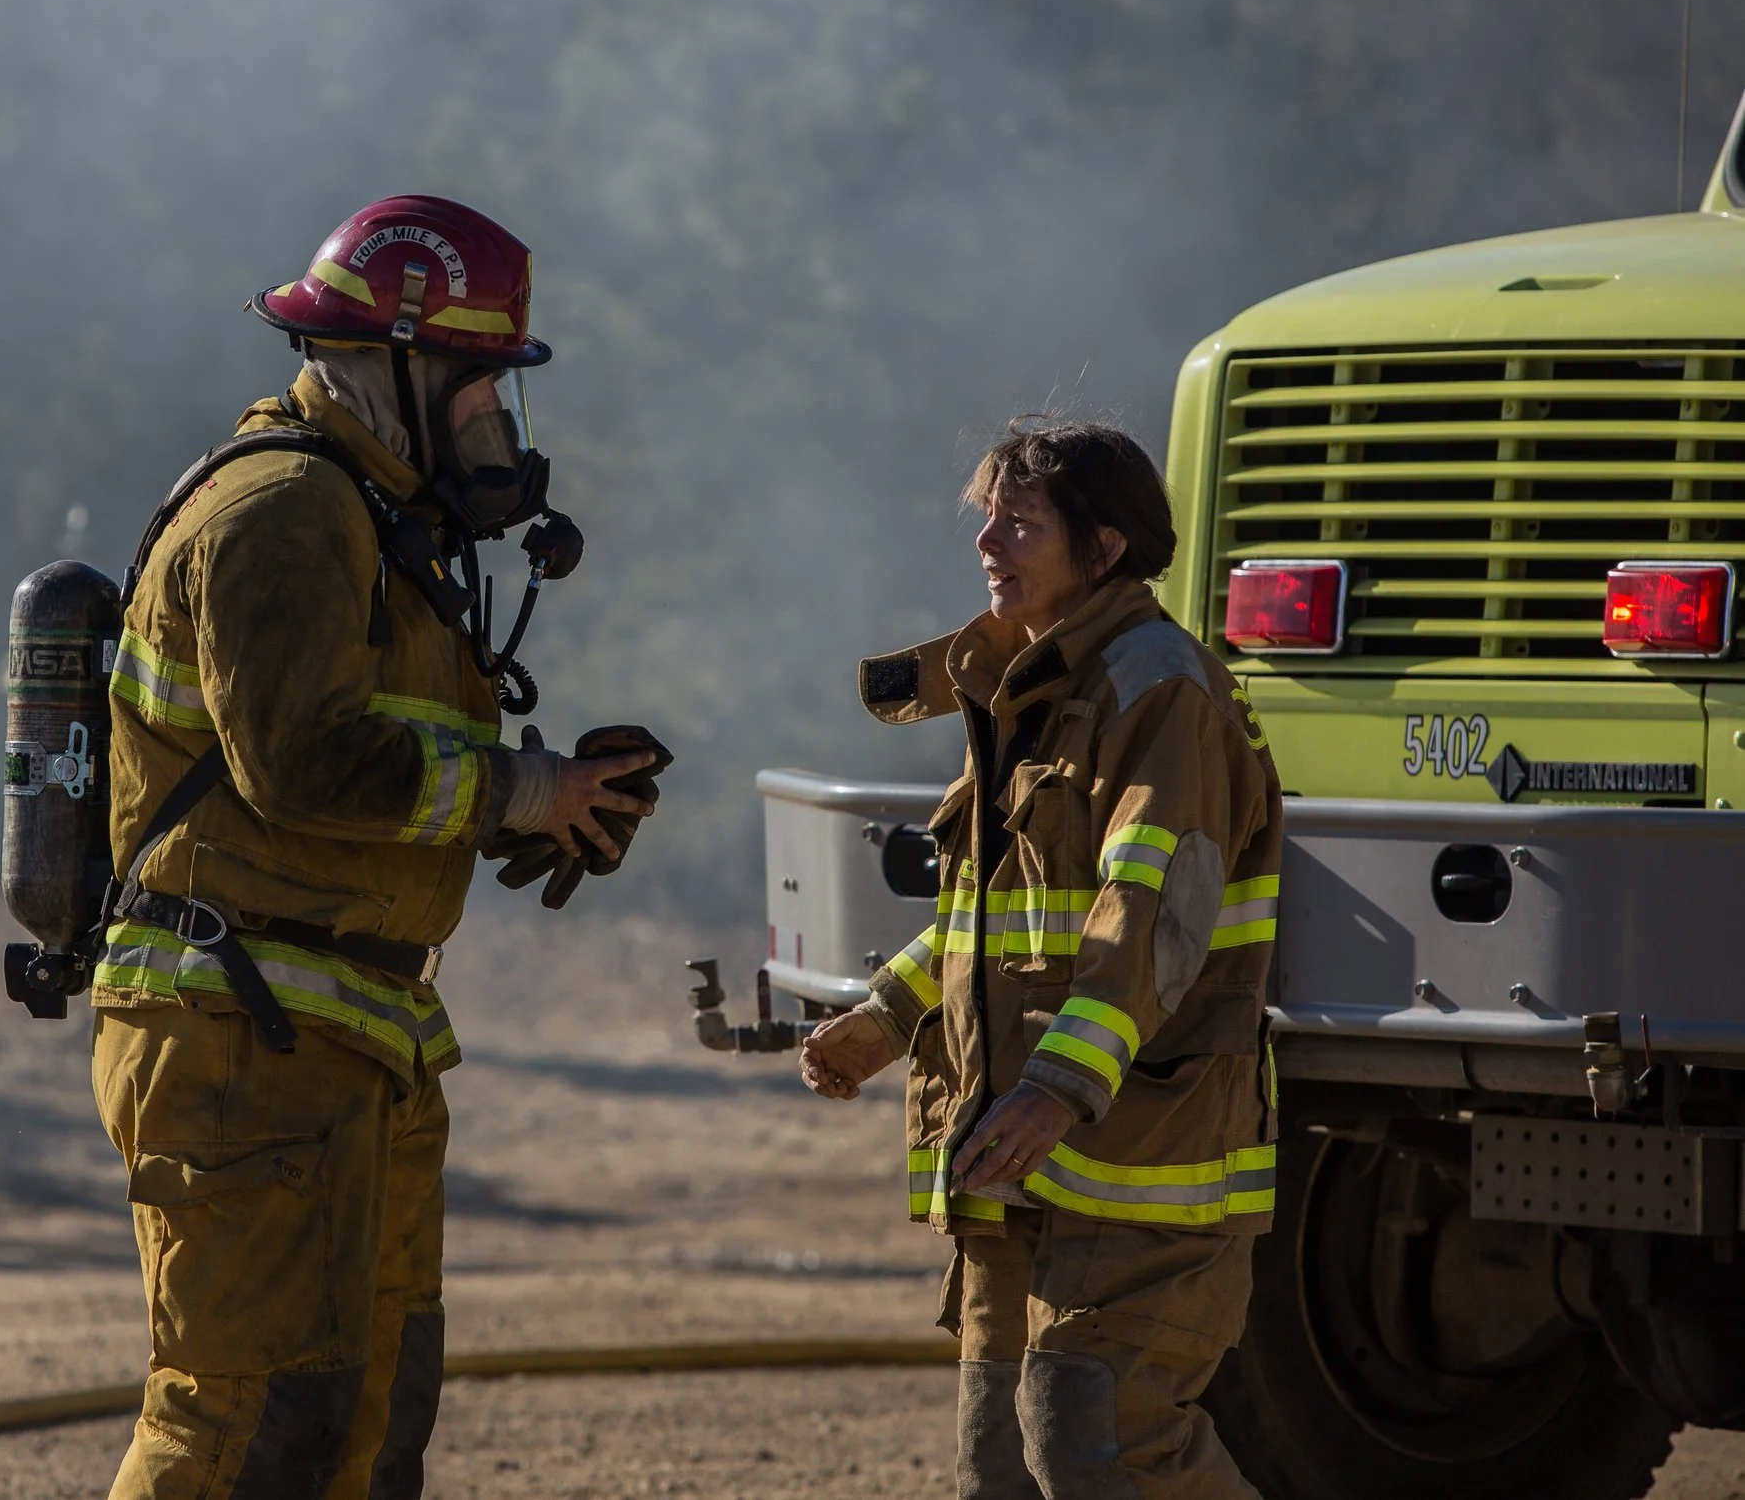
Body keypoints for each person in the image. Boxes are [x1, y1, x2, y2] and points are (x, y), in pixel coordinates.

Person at [92, 194, 664, 1499]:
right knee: (241, 1414)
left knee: (360, 1421)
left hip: (356, 1031)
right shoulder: (284, 510)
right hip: (240, 1028)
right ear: (394, 365)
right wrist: (521, 789)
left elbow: (392, 766)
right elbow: (296, 763)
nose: (497, 428)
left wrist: (556, 800)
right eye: (478, 389)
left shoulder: (380, 522)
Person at [799, 418, 1282, 1500]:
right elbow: (1003, 914)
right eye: (986, 516)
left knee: (1098, 1443)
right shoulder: (1041, 685)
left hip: (1138, 1154)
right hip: (1017, 1154)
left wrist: (1060, 1083)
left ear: (1103, 549)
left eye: (1018, 521)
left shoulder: (1157, 690)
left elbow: (1146, 912)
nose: (987, 541)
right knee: (1001, 1467)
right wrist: (885, 1014)